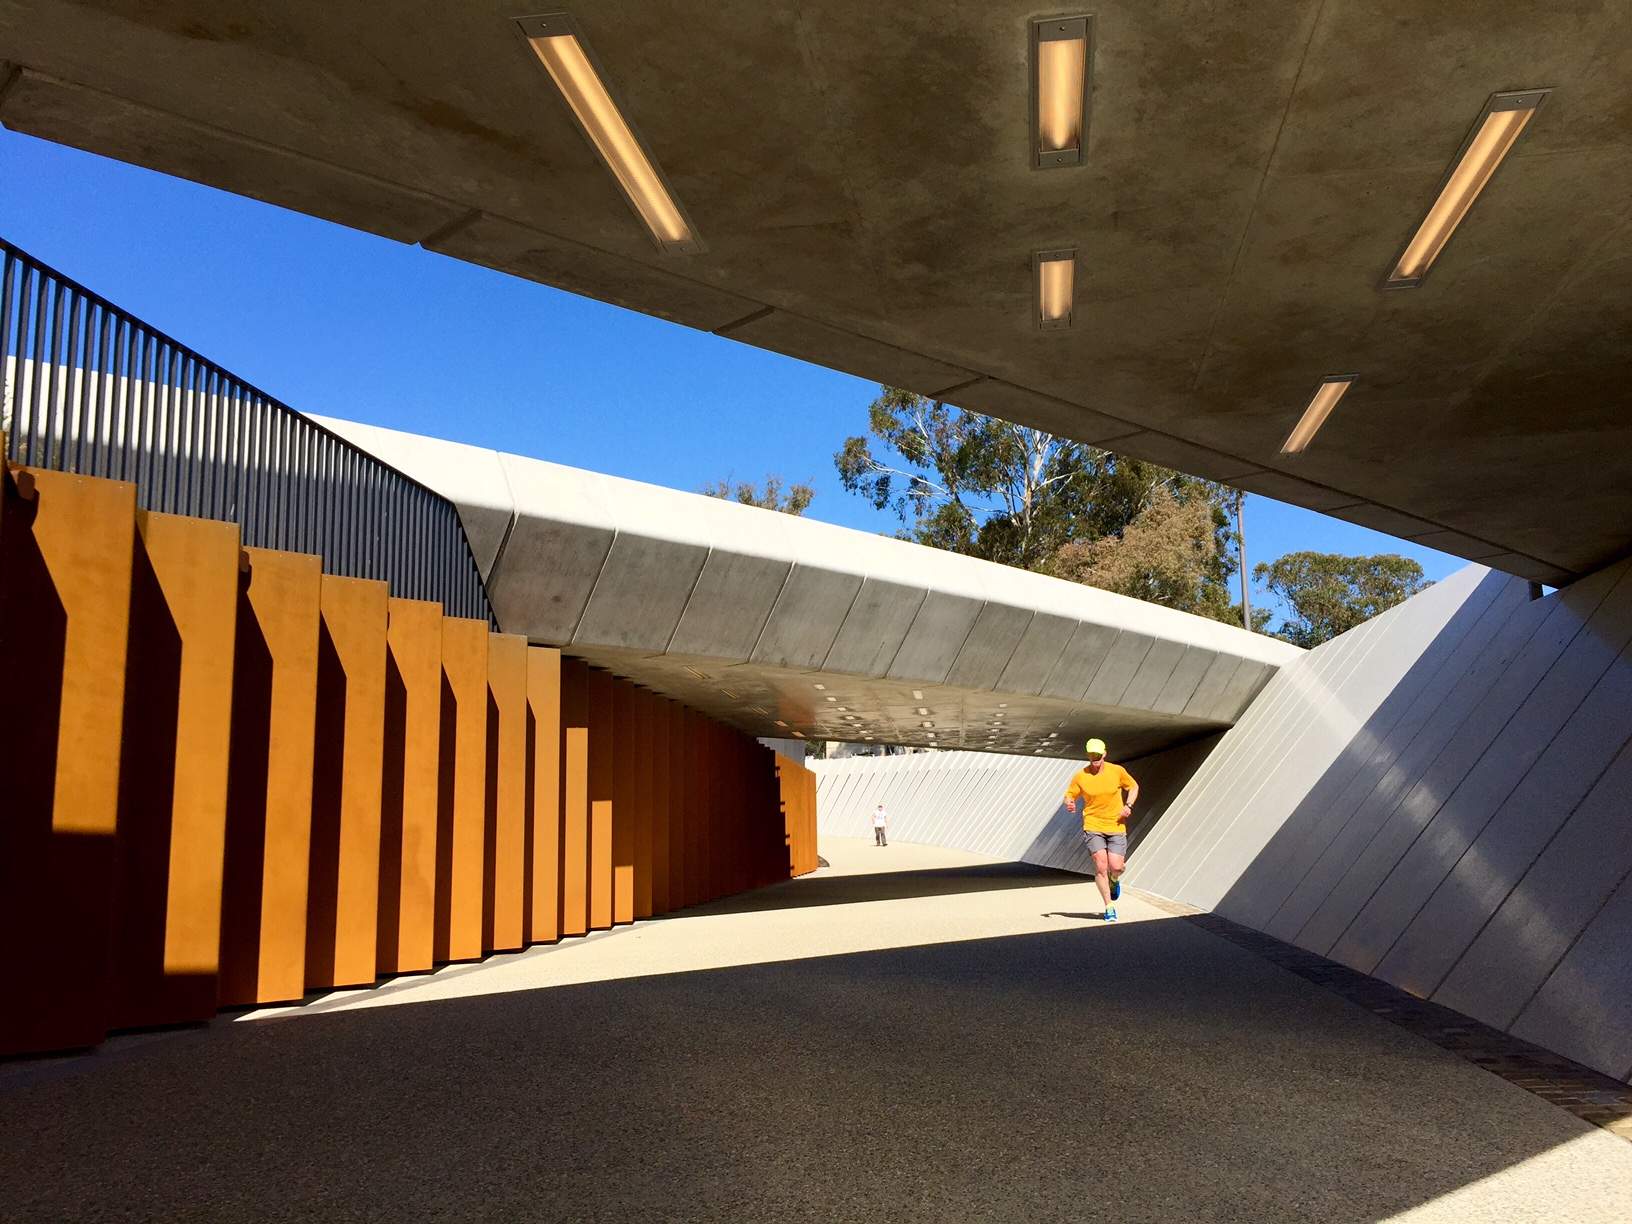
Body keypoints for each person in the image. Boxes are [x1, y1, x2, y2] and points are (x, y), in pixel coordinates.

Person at [1063, 738, 1139, 922]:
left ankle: (1114, 879)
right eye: (1091, 754)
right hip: (1093, 825)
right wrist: (1070, 802)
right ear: (1088, 755)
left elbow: (1134, 786)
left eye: (1097, 754)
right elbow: (1070, 794)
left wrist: (1128, 805)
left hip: (1116, 825)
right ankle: (1109, 906)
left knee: (1117, 866)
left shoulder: (1117, 771)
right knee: (1100, 866)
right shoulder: (1081, 776)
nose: (1094, 758)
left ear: (1104, 754)